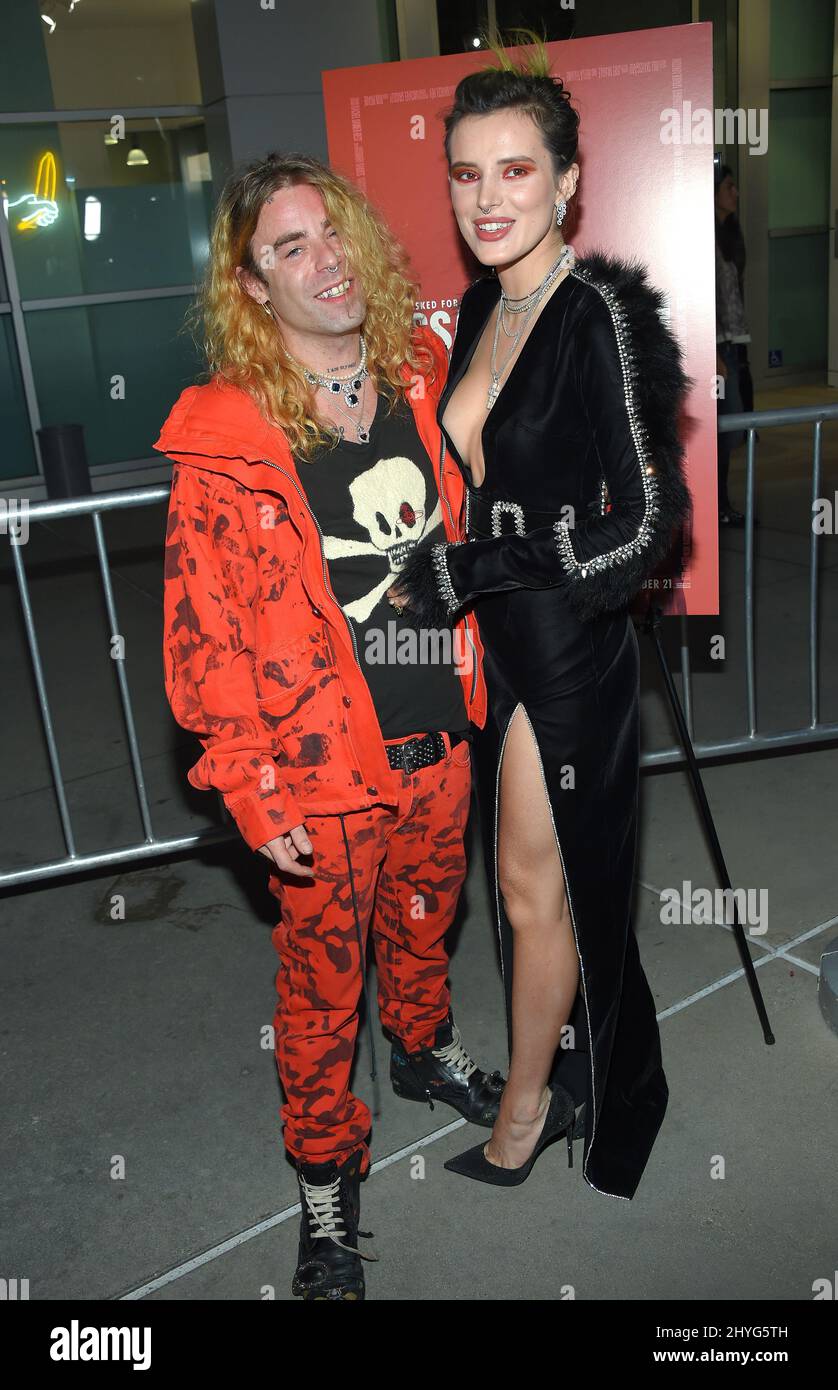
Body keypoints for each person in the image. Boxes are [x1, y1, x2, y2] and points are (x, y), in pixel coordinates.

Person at [156, 152, 506, 1301]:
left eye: (333, 233)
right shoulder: (228, 439)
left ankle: (424, 1049)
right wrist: (252, 793)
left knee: (427, 920)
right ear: (251, 286)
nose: (324, 262)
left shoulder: (418, 372)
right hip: (321, 779)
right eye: (289, 248)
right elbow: (203, 639)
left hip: (439, 739)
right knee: (317, 998)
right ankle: (324, 1197)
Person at [390, 38, 692, 1201]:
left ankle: (537, 1103)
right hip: (500, 646)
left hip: (569, 647)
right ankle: (560, 1080)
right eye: (467, 174)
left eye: (516, 172)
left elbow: (651, 520)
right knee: (533, 888)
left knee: (535, 886)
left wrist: (496, 562)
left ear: (568, 181)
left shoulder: (596, 314)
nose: (486, 199)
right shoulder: (477, 309)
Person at [715, 161, 753, 526]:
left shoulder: (731, 233)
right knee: (722, 429)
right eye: (728, 186)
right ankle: (718, 506)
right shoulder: (706, 236)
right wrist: (711, 351)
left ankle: (722, 504)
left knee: (730, 428)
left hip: (731, 342)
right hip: (714, 349)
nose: (735, 193)